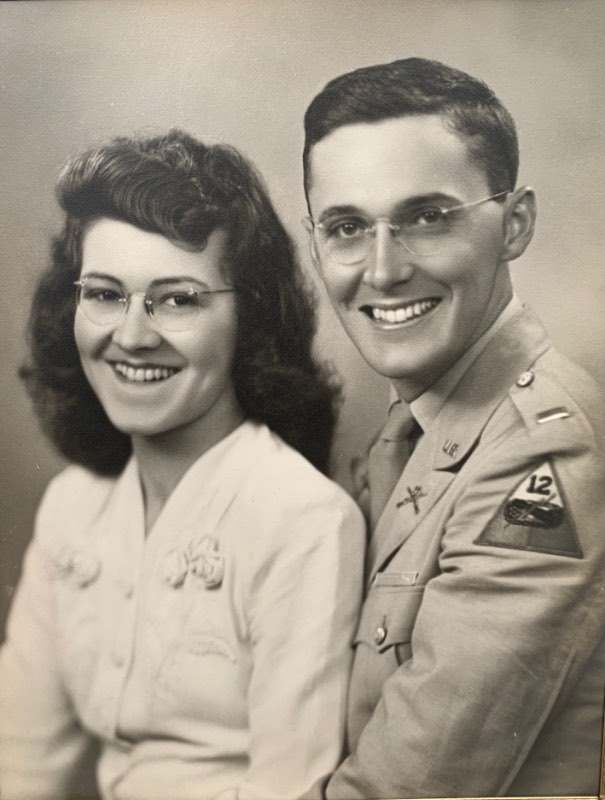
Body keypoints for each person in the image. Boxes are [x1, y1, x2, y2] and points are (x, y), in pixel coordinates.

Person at [0, 129, 365, 800]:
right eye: (105, 293)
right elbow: (16, 764)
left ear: (249, 320)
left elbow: (288, 790)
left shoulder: (302, 522)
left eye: (177, 299)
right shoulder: (74, 506)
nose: (132, 335)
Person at [301, 57, 605, 797]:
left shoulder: (542, 449)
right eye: (345, 227)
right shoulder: (404, 432)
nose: (381, 270)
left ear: (515, 224)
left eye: (427, 217)